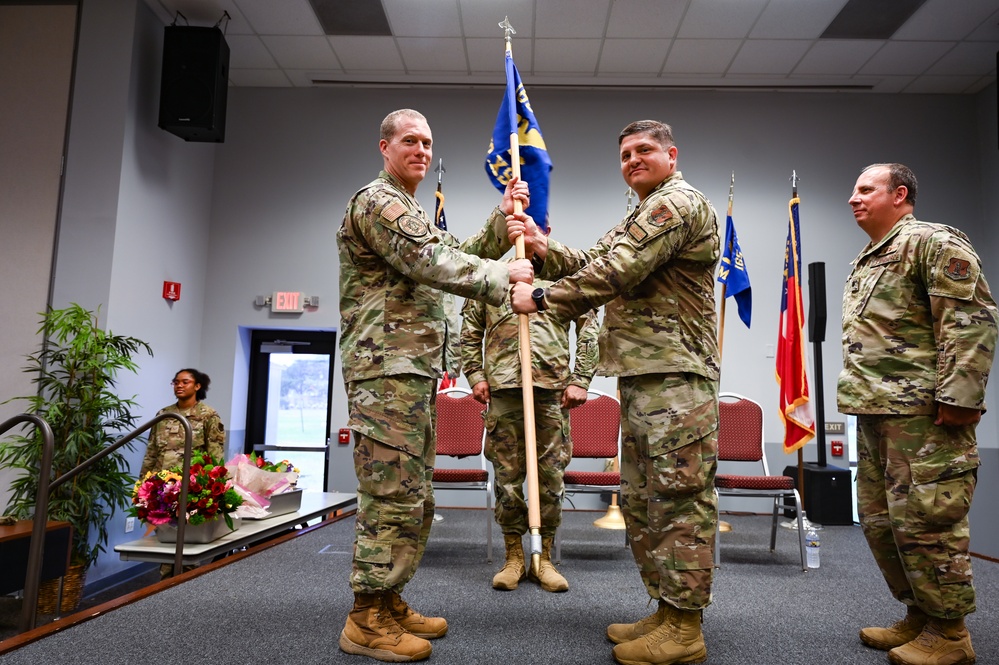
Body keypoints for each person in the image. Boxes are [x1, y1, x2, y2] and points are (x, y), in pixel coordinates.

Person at [511, 119, 720, 665]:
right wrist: (541, 245)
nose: (632, 160)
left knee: (678, 502)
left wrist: (542, 297)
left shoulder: (675, 204)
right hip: (646, 376)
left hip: (677, 378)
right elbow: (593, 262)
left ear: (672, 155)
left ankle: (685, 628)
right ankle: (666, 608)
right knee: (644, 500)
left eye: (644, 150)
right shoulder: (640, 211)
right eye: (625, 153)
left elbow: (618, 271)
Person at [337, 108, 534, 663]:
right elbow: (431, 260)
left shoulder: (409, 206)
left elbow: (449, 255)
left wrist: (500, 226)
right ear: (384, 146)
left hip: (411, 371)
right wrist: (503, 275)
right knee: (390, 494)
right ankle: (365, 618)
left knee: (414, 495)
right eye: (409, 141)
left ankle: (389, 598)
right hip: (385, 372)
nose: (420, 150)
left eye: (427, 142)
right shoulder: (378, 201)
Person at [838, 163, 996, 665]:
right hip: (876, 412)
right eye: (854, 190)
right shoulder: (870, 257)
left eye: (866, 189)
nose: (853, 198)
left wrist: (959, 399)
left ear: (899, 194)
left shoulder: (931, 242)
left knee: (928, 523)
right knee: (884, 524)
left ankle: (950, 634)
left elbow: (971, 322)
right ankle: (920, 615)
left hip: (924, 418)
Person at [461, 266, 600, 593]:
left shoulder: (566, 279)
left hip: (551, 390)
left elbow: (590, 330)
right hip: (504, 389)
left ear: (546, 228)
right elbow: (468, 331)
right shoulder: (493, 277)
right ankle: (513, 557)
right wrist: (475, 375)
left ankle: (543, 558)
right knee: (508, 480)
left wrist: (581, 379)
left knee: (550, 477)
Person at [140, 368, 225, 478]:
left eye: (185, 382)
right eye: (176, 383)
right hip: (159, 482)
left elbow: (215, 455)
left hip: (189, 484)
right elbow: (151, 453)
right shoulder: (163, 414)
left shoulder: (208, 416)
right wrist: (143, 481)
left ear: (197, 386)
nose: (179, 385)